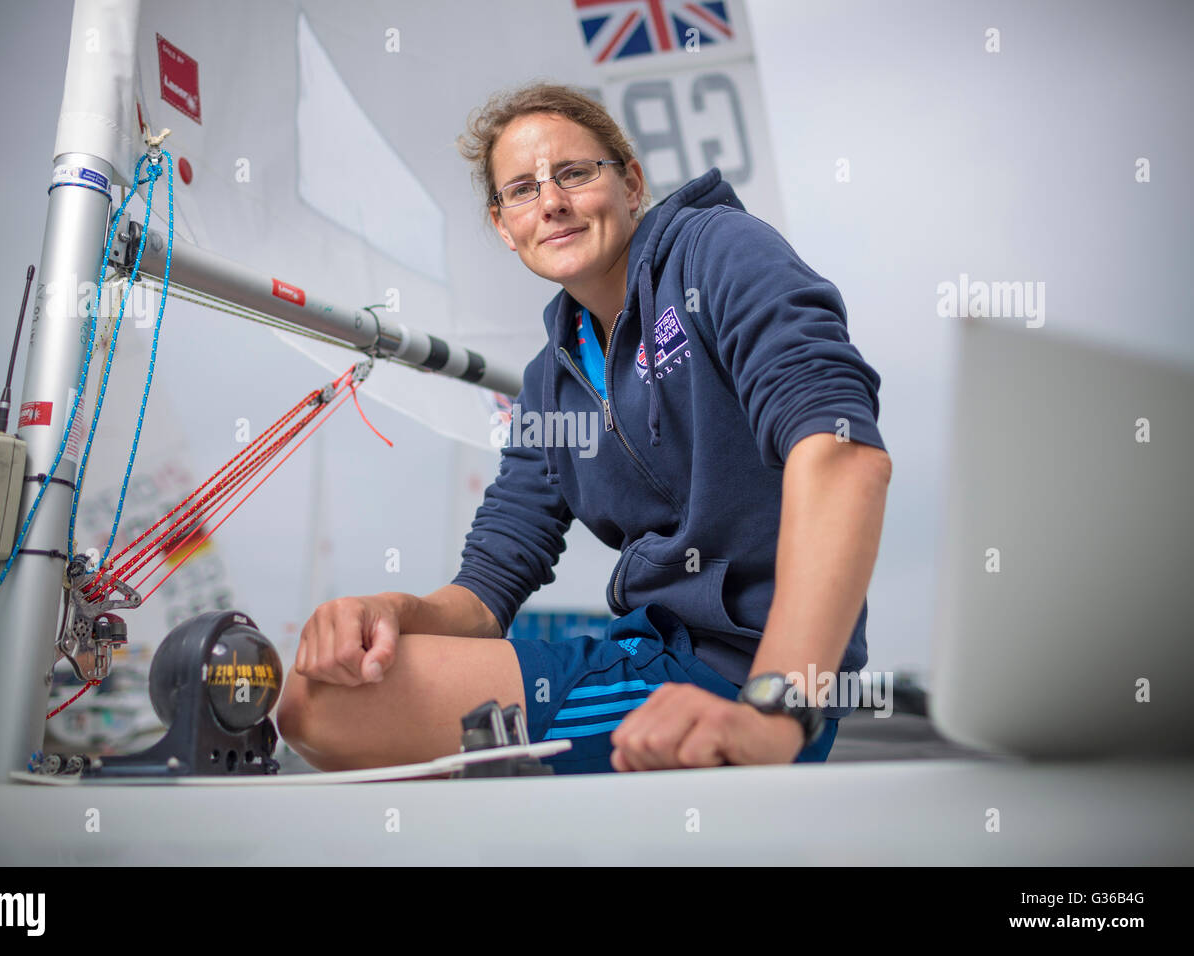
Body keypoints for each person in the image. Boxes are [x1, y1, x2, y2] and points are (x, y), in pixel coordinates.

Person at [276, 83, 891, 774]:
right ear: (504, 226)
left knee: (322, 703)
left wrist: (776, 709)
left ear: (631, 182)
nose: (552, 202)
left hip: (742, 681)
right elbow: (484, 592)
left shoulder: (718, 251)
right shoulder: (550, 380)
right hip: (643, 653)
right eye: (522, 190)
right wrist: (383, 608)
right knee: (331, 681)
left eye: (574, 173)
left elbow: (842, 449)